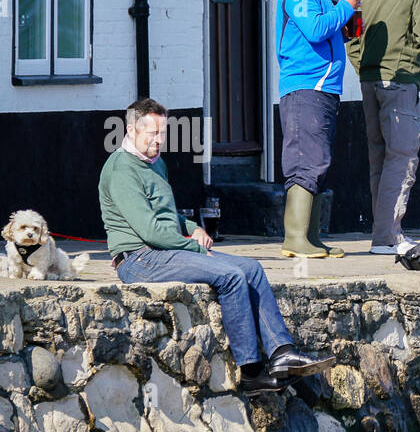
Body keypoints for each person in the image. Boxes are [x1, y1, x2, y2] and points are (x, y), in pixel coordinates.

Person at [99, 99, 334, 394]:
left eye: (163, 133)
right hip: (139, 257)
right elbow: (149, 230)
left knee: (251, 268)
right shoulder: (121, 168)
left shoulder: (155, 163)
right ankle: (250, 373)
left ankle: (281, 352)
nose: (159, 141)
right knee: (231, 277)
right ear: (131, 130)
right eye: (152, 134)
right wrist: (195, 248)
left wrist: (192, 228)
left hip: (165, 250)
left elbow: (166, 218)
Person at [347, 0, 420, 256]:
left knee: (379, 157)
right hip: (401, 80)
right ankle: (388, 237)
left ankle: (383, 233)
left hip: (369, 81)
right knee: (401, 159)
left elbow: (350, 35)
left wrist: (363, 68)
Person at [275, 0, 361, 259]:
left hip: (322, 87)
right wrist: (345, 7)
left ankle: (310, 237)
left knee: (318, 159)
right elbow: (314, 29)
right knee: (304, 158)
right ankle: (295, 237)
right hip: (305, 87)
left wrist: (344, 10)